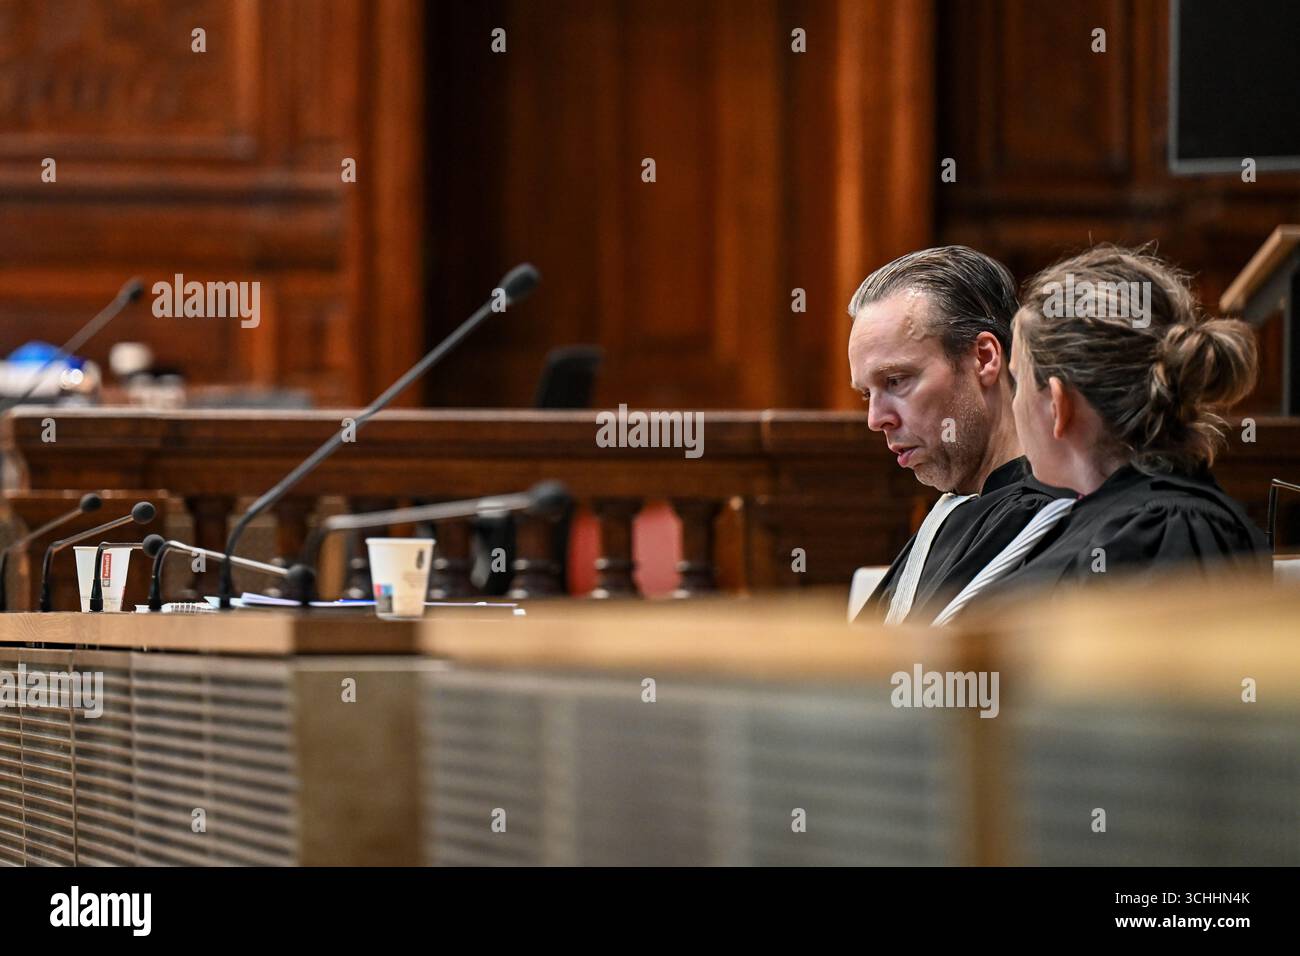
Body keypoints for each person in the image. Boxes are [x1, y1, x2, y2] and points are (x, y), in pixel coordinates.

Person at [930, 245, 1269, 626]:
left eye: (1019, 379)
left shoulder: (1166, 530)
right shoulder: (1114, 517)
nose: (1014, 402)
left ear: (1058, 406)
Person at [846, 246, 1057, 624]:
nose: (875, 419)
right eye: (866, 394)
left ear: (984, 358)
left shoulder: (1052, 520)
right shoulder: (952, 509)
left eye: (896, 381)